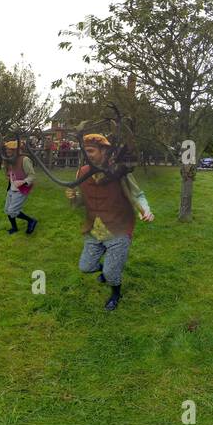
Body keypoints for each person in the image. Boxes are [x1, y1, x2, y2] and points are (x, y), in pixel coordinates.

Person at [66, 133, 154, 311]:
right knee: (86, 267)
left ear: (104, 151)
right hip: (94, 229)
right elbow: (81, 201)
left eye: (91, 150)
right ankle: (107, 268)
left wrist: (146, 210)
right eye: (85, 151)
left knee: (111, 273)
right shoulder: (82, 172)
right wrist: (73, 197)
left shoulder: (119, 171)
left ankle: (115, 294)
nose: (87, 154)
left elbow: (138, 194)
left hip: (118, 228)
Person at [2, 140, 38, 235]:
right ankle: (14, 228)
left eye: (9, 150)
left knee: (12, 211)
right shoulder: (9, 159)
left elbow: (32, 176)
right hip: (11, 188)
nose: (7, 151)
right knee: (7, 210)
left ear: (16, 150)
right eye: (7, 149)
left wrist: (23, 181)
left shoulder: (24, 159)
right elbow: (9, 172)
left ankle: (31, 221)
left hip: (21, 189)